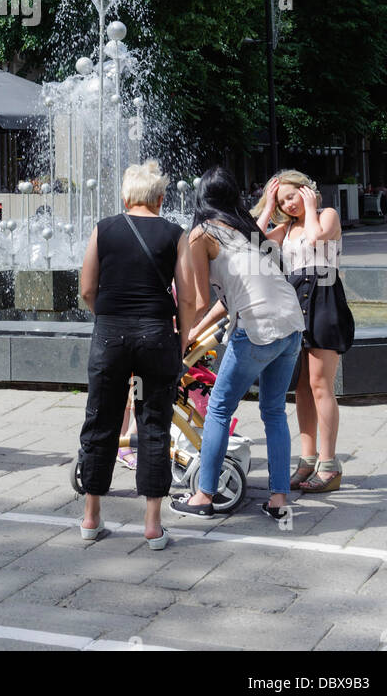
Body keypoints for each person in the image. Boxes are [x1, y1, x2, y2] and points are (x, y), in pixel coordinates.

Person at [170, 166, 305, 523]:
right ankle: (279, 500)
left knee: (218, 409)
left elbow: (197, 299)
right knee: (274, 411)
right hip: (291, 325)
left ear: (201, 198)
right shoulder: (249, 231)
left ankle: (203, 496)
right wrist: (200, 326)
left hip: (257, 329)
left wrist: (181, 335)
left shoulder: (201, 233)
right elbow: (228, 299)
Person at [75, 160, 197, 549]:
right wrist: (181, 339)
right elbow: (188, 297)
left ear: (125, 196)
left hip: (111, 337)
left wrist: (108, 320)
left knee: (101, 421)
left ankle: (91, 517)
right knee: (154, 424)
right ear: (161, 198)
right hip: (155, 337)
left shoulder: (103, 229)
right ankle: (152, 524)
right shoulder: (175, 234)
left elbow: (87, 289)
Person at [252, 170, 354, 493]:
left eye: (291, 196)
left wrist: (310, 207)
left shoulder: (327, 216)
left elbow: (316, 238)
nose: (288, 204)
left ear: (307, 191)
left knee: (320, 384)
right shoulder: (287, 227)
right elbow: (253, 245)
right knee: (302, 386)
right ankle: (307, 460)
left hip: (324, 299)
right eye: (283, 200)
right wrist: (267, 207)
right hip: (296, 302)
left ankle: (329, 464)